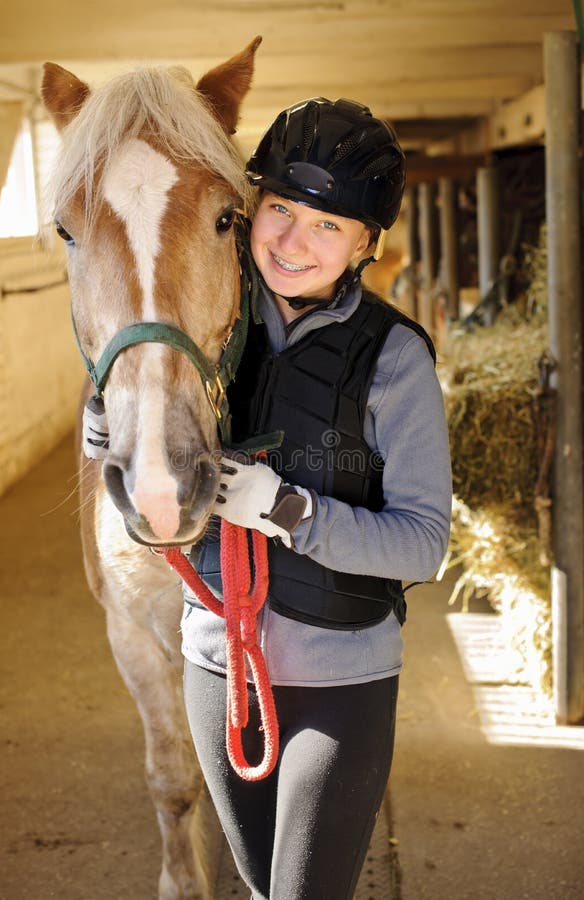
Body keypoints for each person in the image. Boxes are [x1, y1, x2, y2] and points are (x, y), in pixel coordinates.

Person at [84, 97, 452, 900]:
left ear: (365, 244)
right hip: (218, 665)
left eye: (328, 226)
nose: (292, 241)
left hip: (339, 679)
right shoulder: (212, 321)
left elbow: (424, 544)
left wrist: (290, 512)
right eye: (281, 210)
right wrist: (110, 414)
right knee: (259, 886)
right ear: (250, 209)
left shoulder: (392, 360)